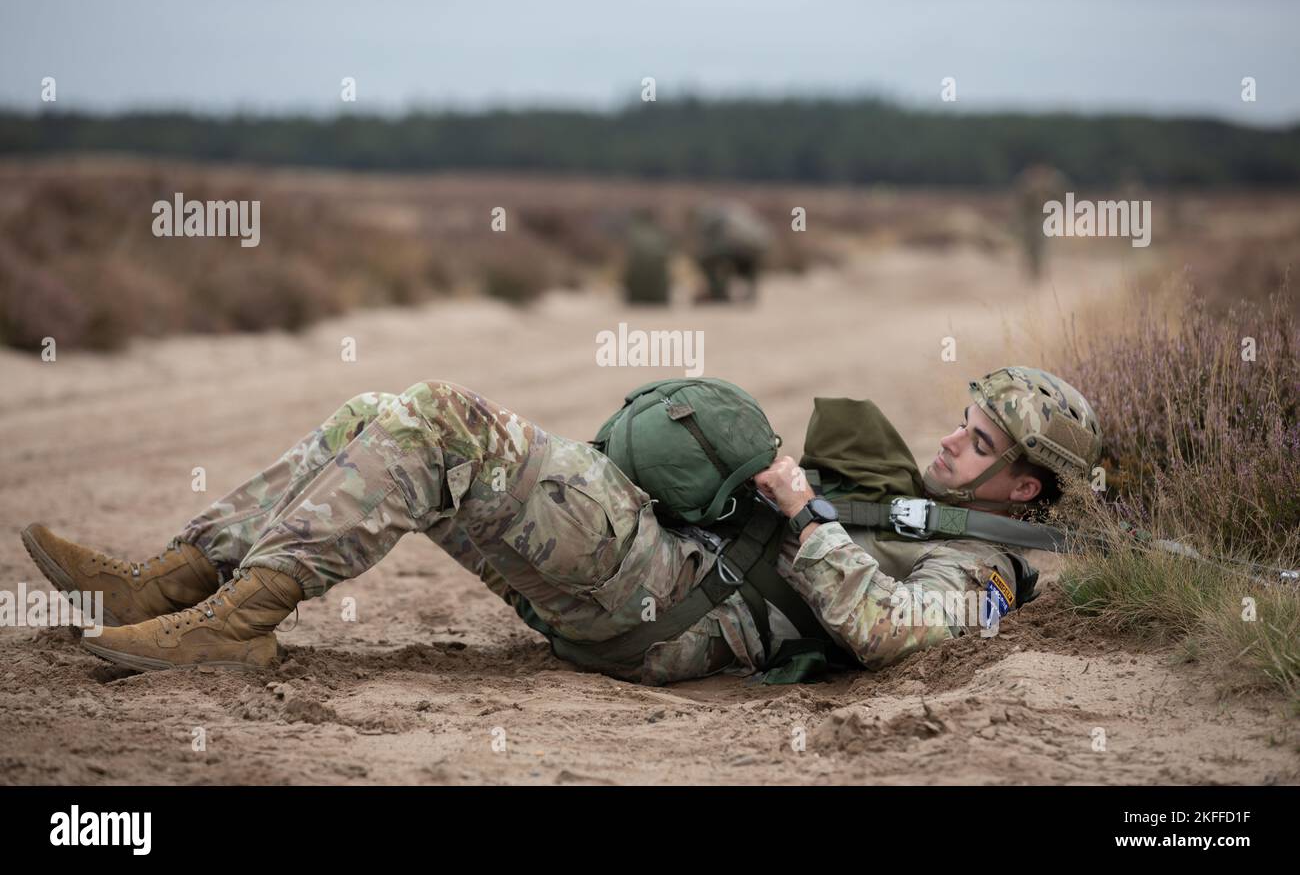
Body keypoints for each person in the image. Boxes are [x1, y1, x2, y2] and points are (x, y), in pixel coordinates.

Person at [21, 367, 1101, 685]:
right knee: (376, 418)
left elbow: (894, 632)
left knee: (441, 422)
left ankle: (241, 622)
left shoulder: (987, 565)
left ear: (1025, 492)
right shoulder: (929, 501)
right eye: (960, 425)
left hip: (669, 602)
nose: (951, 446)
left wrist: (801, 507)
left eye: (979, 444)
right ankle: (172, 581)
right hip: (655, 564)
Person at [690, 201, 773, 304]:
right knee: (746, 264)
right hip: (755, 250)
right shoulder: (739, 215)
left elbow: (713, 247)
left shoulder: (715, 218)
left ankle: (718, 292)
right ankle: (749, 293)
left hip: (738, 249)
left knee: (707, 260)